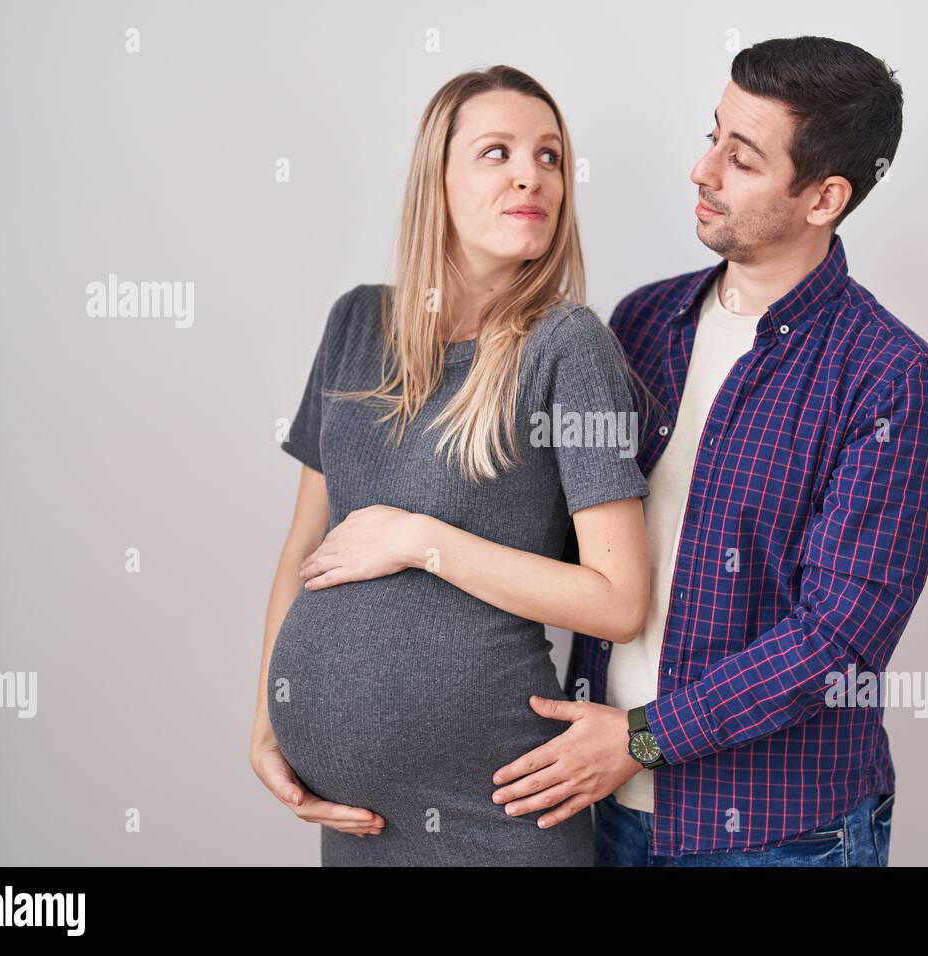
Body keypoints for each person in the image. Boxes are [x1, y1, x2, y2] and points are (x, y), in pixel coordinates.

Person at [487, 36, 928, 866]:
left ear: (824, 198)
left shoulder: (895, 381)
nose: (702, 171)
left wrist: (640, 739)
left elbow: (836, 642)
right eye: (712, 137)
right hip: (596, 804)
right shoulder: (639, 325)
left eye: (740, 159)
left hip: (781, 834)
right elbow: (560, 542)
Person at [249, 65, 651, 866]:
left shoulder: (571, 348)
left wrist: (416, 538)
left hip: (497, 807)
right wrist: (270, 715)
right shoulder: (356, 322)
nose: (531, 175)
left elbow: (617, 600)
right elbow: (304, 549)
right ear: (436, 177)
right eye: (496, 152)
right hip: (354, 817)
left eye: (549, 156)